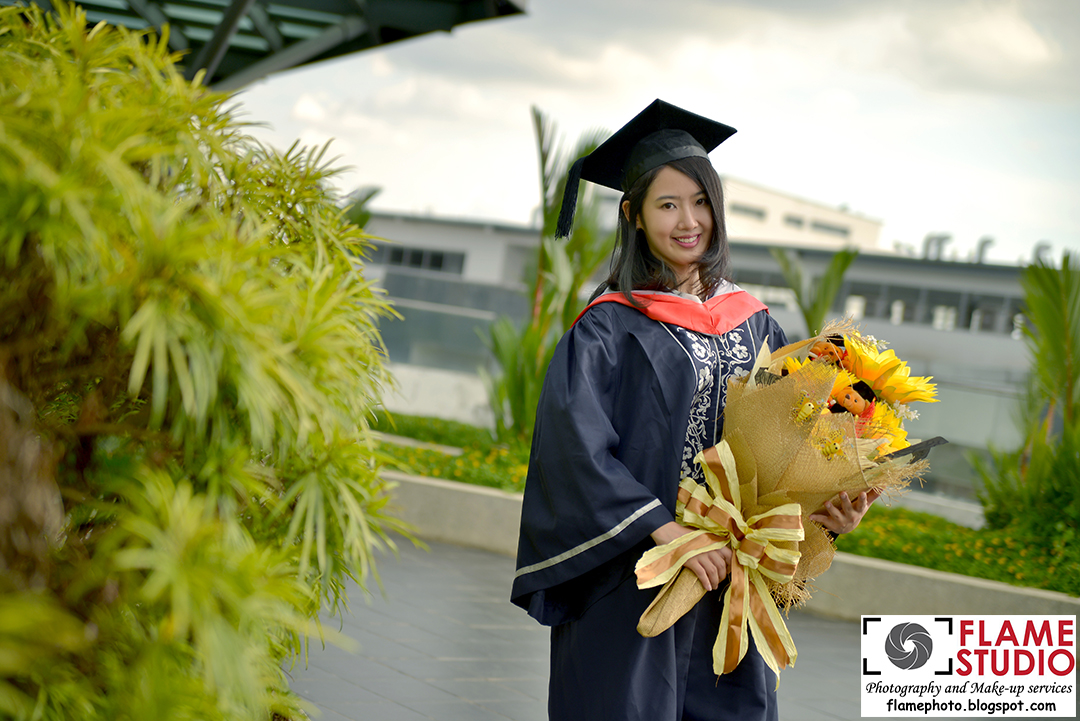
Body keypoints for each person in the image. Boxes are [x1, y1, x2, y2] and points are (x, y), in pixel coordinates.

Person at [510, 100, 875, 721]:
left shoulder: (755, 323)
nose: (689, 222)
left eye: (701, 202)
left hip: (733, 579)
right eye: (668, 205)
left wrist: (828, 510)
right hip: (636, 576)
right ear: (633, 214)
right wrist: (669, 533)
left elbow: (788, 448)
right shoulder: (607, 329)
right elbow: (574, 451)